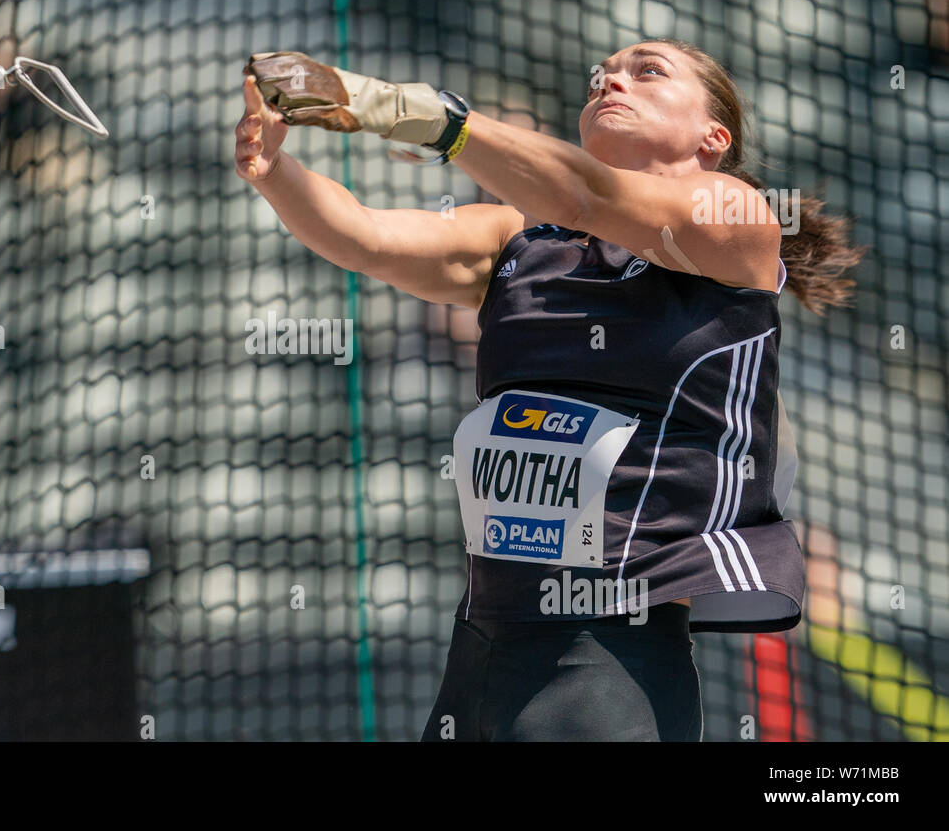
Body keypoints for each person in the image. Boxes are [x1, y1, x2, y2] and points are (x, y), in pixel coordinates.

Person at [234, 40, 866, 741]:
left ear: (712, 137)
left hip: (607, 660)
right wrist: (274, 170)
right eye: (606, 74)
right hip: (481, 643)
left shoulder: (739, 216)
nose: (612, 80)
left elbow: (585, 191)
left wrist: (402, 110)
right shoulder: (522, 238)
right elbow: (366, 238)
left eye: (647, 71)